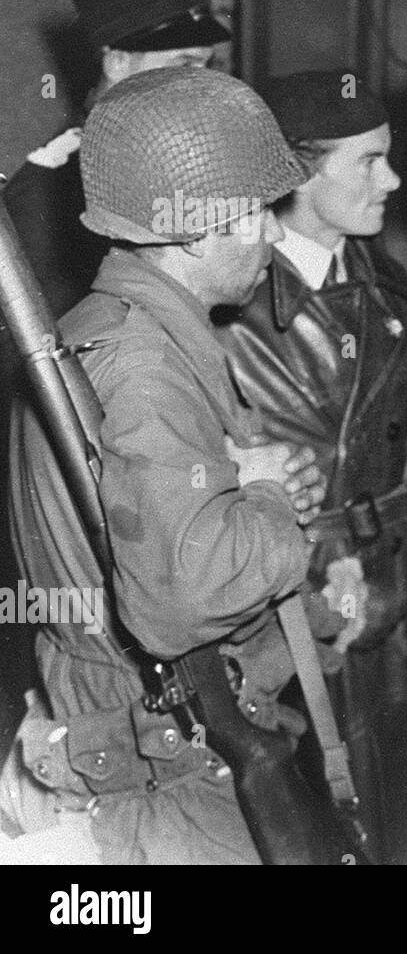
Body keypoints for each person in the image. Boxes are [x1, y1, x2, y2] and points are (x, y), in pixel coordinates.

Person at [1, 67, 325, 864]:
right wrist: (272, 504)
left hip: (161, 748)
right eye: (257, 214)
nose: (277, 234)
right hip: (167, 787)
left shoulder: (118, 328)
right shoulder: (144, 367)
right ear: (190, 229)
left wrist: (244, 482)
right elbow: (182, 598)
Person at [216, 70, 407, 864]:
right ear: (300, 172)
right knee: (315, 810)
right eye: (368, 162)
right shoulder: (229, 305)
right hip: (297, 593)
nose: (392, 180)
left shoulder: (388, 280)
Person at [1, 0, 231, 321]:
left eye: (207, 65)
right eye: (183, 64)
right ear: (117, 61)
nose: (200, 83)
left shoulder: (168, 156)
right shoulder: (58, 181)